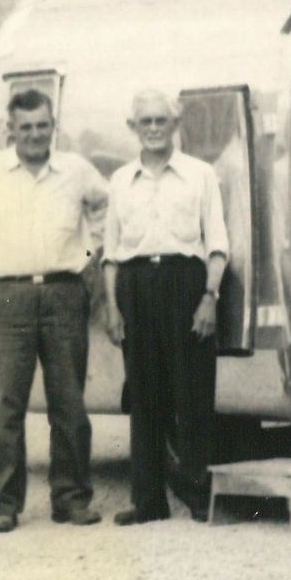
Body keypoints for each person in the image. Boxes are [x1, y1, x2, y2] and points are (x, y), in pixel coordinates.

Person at [0, 86, 111, 532]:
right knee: (6, 406)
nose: (34, 134)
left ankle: (71, 499)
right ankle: (4, 505)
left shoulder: (76, 170)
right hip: (5, 294)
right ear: (11, 130)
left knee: (69, 403)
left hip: (64, 291)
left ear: (53, 127)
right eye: (25, 127)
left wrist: (88, 255)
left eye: (42, 126)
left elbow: (107, 207)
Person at [100, 88, 229, 525]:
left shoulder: (200, 175)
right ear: (133, 127)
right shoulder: (120, 181)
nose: (154, 128)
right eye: (146, 121)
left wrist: (209, 297)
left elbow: (217, 243)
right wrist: (113, 308)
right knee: (143, 395)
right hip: (135, 285)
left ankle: (197, 493)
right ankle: (148, 501)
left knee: (192, 392)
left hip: (186, 282)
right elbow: (111, 252)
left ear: (175, 125)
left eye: (161, 120)